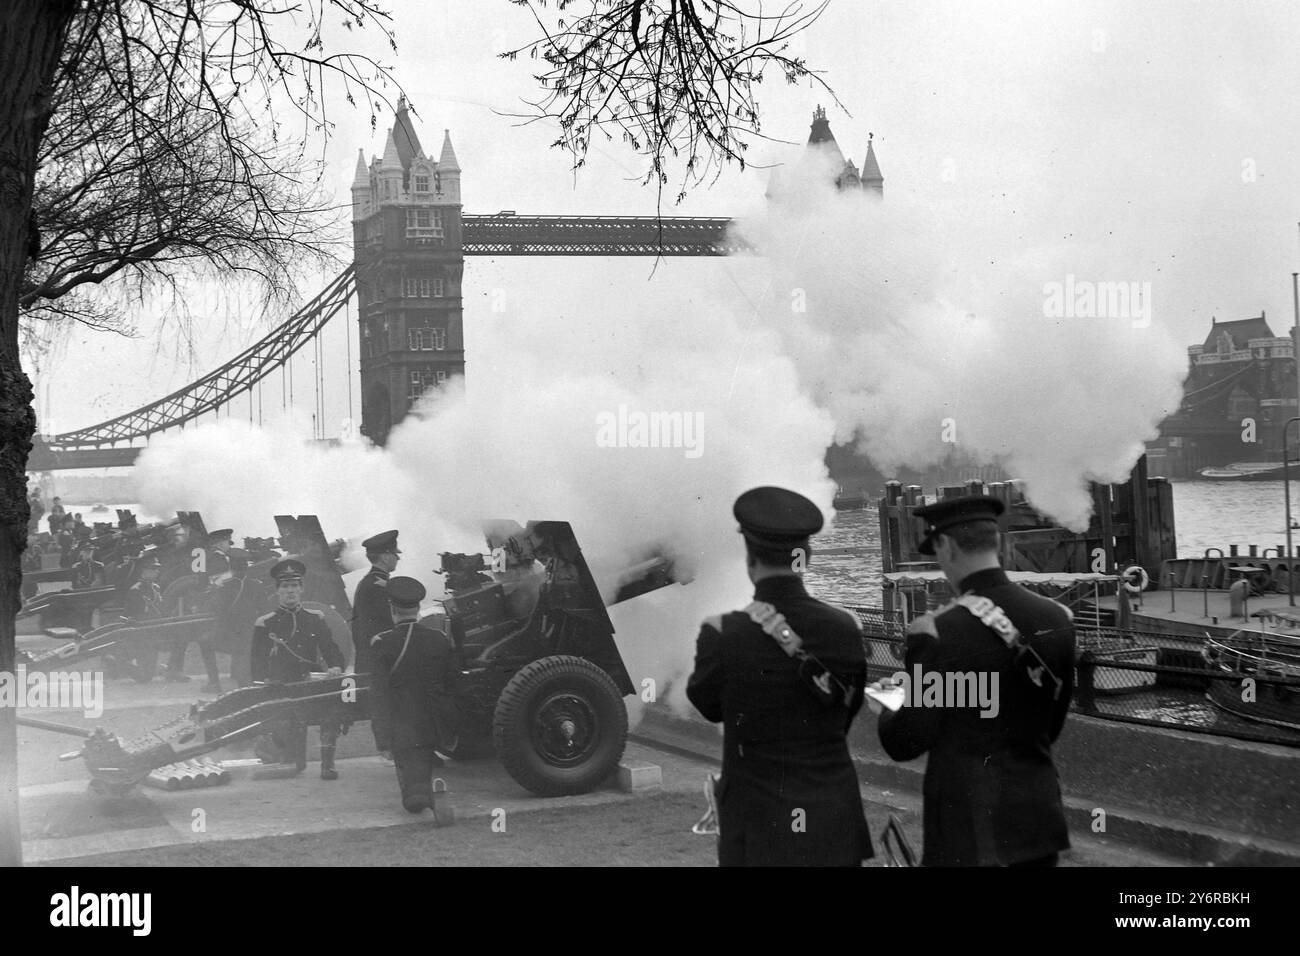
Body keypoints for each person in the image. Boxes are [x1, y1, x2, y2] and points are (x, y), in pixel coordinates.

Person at [875, 494, 1076, 867]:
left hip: (968, 836)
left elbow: (903, 741)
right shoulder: (1059, 617)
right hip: (1037, 826)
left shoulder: (938, 633)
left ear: (947, 546)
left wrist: (896, 694)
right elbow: (1052, 725)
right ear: (995, 542)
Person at [686, 486, 873, 867]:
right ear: (806, 555)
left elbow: (707, 706)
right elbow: (847, 711)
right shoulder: (845, 628)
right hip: (832, 820)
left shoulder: (721, 633)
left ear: (749, 559)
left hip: (758, 823)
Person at [369, 576, 459, 813]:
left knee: (412, 796)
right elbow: (452, 685)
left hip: (402, 725)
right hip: (434, 723)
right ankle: (426, 790)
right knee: (420, 763)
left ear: (392, 608)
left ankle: (424, 796)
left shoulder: (382, 643)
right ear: (418, 608)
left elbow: (378, 697)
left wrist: (382, 739)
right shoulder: (439, 639)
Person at [251, 559, 346, 779]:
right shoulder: (265, 623)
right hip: (281, 687)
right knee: (295, 763)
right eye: (285, 586)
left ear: (302, 589)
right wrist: (264, 682)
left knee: (331, 712)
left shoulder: (315, 618)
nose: (290, 591)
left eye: (295, 586)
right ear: (277, 591)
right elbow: (257, 664)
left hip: (310, 682)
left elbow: (331, 649)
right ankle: (287, 757)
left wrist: (335, 666)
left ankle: (327, 764)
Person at [211, 550, 268, 687]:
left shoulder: (223, 585)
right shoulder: (256, 584)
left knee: (240, 653)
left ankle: (241, 680)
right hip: (251, 628)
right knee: (246, 654)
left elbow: (218, 610)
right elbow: (264, 609)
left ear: (231, 568)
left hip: (230, 629)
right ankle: (245, 679)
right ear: (247, 567)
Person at [350, 529, 401, 674]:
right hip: (379, 664)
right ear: (385, 557)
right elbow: (387, 624)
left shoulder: (370, 582)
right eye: (395, 554)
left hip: (372, 661)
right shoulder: (378, 586)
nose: (398, 558)